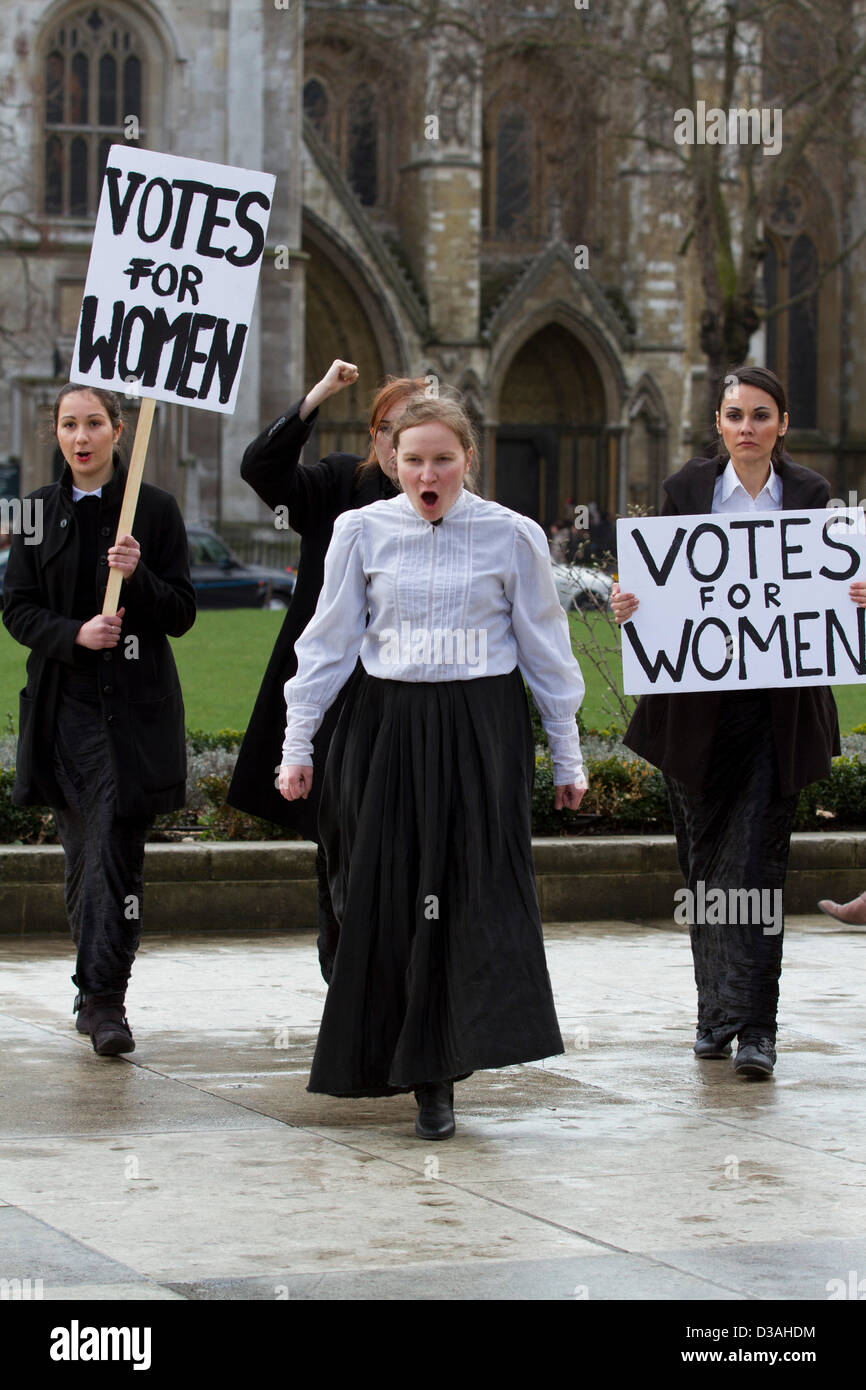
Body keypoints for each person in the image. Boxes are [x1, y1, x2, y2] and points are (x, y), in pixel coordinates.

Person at [279, 396, 587, 1139]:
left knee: (464, 898)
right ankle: (394, 1053)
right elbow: (329, 642)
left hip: (483, 729)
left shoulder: (511, 536)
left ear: (468, 461)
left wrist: (567, 754)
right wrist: (298, 742)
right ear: (393, 462)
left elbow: (546, 648)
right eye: (413, 459)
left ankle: (438, 1076)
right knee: (381, 896)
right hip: (387, 725)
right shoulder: (360, 531)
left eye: (442, 458)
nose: (427, 472)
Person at [613, 366, 866, 1079]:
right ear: (718, 425)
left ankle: (757, 1027)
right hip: (694, 712)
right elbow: (655, 585)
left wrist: (857, 598)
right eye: (734, 415)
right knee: (705, 868)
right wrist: (630, 605)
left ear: (783, 424)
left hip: (775, 714)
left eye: (761, 415)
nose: (747, 427)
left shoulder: (813, 495)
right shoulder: (686, 492)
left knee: (756, 864)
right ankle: (713, 1014)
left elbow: (827, 600)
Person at [2, 385, 195, 1054]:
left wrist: (138, 575)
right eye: (68, 424)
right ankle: (92, 990)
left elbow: (181, 613)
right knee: (84, 854)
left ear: (118, 431)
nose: (80, 436)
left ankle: (107, 1001)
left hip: (132, 715)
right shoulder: (31, 513)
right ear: (56, 433)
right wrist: (73, 634)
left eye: (93, 423)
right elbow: (17, 608)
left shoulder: (157, 512)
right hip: (62, 712)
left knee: (116, 847)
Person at [227, 361, 429, 980]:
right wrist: (316, 396)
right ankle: (343, 973)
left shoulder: (451, 505)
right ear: (374, 439)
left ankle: (393, 976)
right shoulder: (340, 485)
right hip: (337, 693)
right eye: (389, 431)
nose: (402, 445)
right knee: (337, 834)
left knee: (406, 838)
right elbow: (261, 469)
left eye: (416, 428)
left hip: (414, 695)